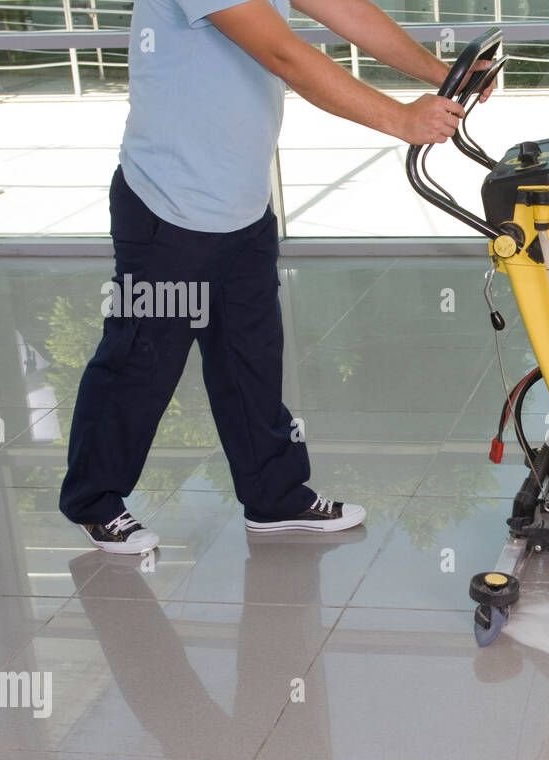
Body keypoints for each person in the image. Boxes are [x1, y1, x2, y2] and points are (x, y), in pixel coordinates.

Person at [59, 0, 488, 554]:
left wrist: (445, 74)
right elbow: (283, 52)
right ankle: (93, 502)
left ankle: (275, 497)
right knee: (140, 360)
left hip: (240, 207)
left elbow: (350, 12)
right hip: (169, 206)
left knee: (250, 360)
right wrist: (401, 119)